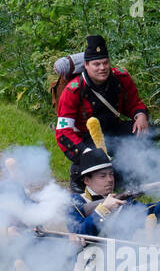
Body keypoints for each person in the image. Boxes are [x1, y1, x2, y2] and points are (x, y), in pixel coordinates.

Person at [54, 35, 150, 192]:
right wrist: (86, 152)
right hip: (86, 138)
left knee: (144, 131)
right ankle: (78, 174)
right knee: (94, 158)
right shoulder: (73, 90)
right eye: (96, 64)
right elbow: (63, 132)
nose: (102, 68)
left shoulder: (121, 77)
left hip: (112, 128)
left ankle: (128, 175)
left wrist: (140, 115)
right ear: (86, 65)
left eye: (105, 63)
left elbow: (133, 102)